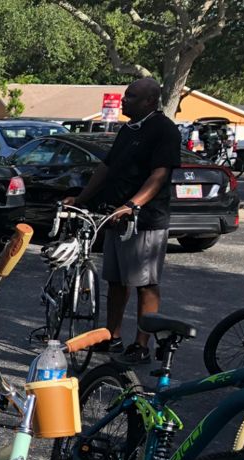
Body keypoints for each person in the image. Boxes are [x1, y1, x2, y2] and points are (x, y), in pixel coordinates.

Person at [66, 77, 182, 365]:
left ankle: (141, 345)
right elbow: (105, 168)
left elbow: (160, 174)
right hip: (116, 219)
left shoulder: (164, 130)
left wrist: (133, 205)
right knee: (116, 282)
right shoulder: (128, 130)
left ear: (149, 101)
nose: (123, 100)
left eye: (130, 96)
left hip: (145, 221)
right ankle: (112, 336)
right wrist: (81, 199)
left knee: (146, 283)